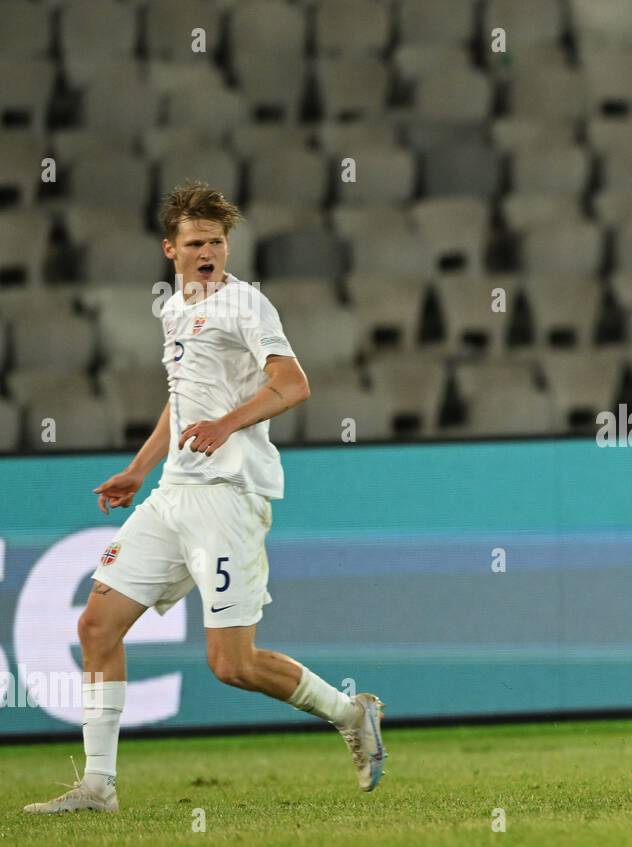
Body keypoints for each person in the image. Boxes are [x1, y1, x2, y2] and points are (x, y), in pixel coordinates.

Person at [24, 181, 387, 814]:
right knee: (96, 625)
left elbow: (293, 384)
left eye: (216, 241)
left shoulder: (247, 305)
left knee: (232, 663)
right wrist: (140, 468)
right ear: (171, 249)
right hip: (173, 495)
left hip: (227, 497)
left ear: (226, 245)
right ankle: (97, 787)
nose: (206, 252)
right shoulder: (173, 310)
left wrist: (228, 423)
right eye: (194, 242)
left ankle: (349, 713)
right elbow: (181, 399)